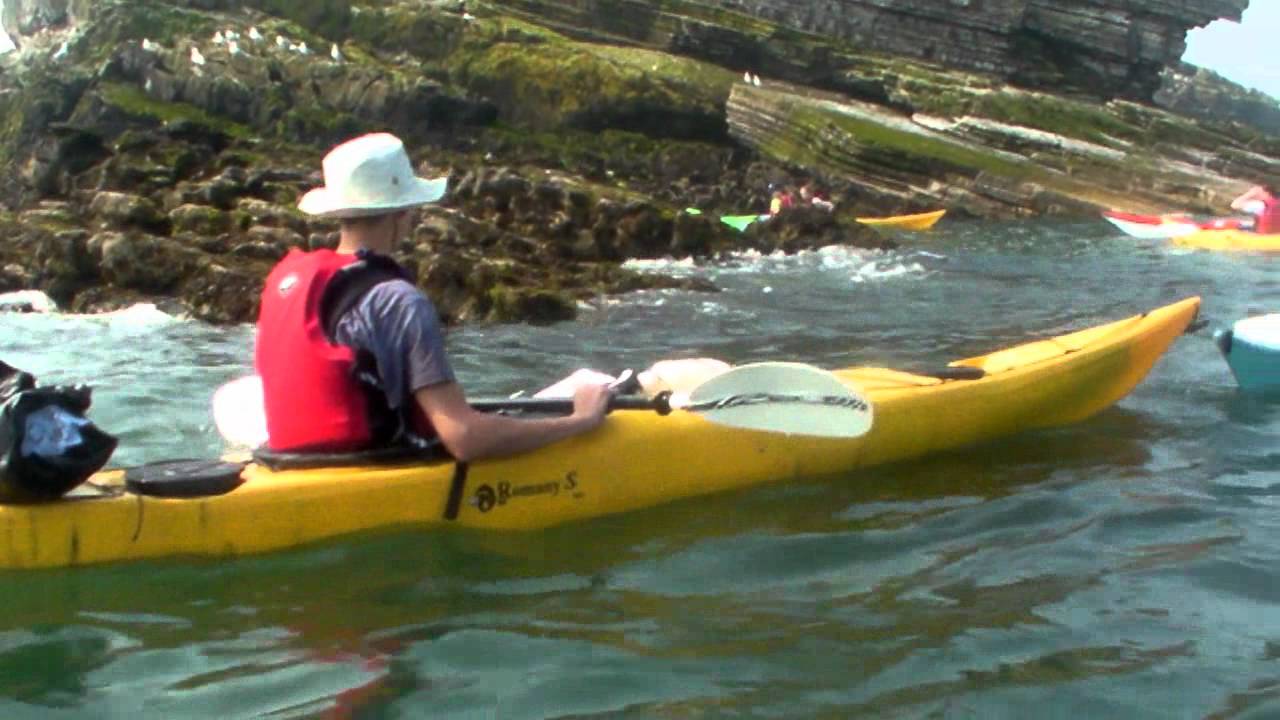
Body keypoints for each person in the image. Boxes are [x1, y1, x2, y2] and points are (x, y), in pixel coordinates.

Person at [255, 132, 611, 460]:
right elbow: (464, 438)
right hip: (373, 473)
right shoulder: (400, 302)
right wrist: (580, 420)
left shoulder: (286, 285)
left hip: (294, 465)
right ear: (401, 213)